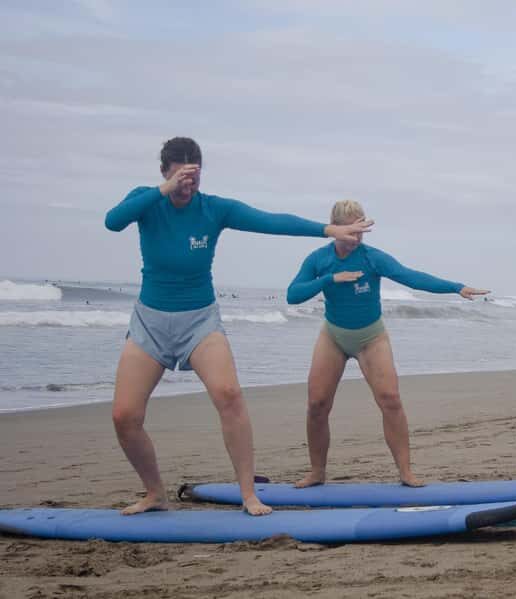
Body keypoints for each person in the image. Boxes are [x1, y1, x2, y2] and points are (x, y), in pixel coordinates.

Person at [105, 137, 372, 516]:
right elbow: (112, 222)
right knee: (124, 416)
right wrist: (163, 190)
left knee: (229, 395)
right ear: (164, 171)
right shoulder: (146, 200)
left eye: (195, 175)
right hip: (150, 322)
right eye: (180, 175)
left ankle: (249, 494)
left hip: (199, 321)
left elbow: (270, 221)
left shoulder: (214, 209)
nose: (187, 183)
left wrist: (329, 231)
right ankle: (154, 493)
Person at [286, 200, 489, 488]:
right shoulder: (319, 259)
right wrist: (331, 279)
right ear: (336, 229)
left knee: (390, 400)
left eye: (362, 230)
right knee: (317, 404)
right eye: (352, 230)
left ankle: (405, 471)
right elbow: (292, 295)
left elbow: (411, 277)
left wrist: (456, 287)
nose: (357, 237)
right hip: (333, 336)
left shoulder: (372, 258)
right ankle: (317, 471)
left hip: (371, 337)